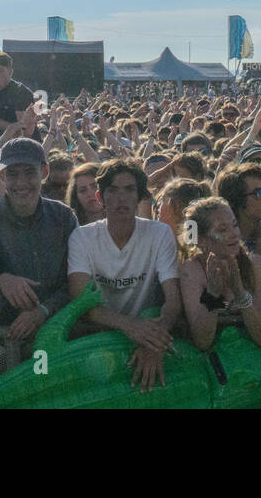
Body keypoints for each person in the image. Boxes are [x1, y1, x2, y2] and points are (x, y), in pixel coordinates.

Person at [67, 158, 181, 393]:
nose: (121, 198)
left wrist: (154, 342)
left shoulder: (159, 234)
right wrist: (130, 327)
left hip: (149, 333)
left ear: (140, 197)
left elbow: (173, 299)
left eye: (129, 190)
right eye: (113, 190)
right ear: (100, 198)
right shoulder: (82, 238)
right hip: (97, 341)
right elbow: (82, 304)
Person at [0, 138, 78, 341]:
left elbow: (77, 281)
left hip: (59, 337)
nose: (21, 183)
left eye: (30, 172)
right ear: (1, 175)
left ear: (44, 172)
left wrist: (43, 310)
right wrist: (0, 282)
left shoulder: (64, 218)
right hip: (2, 341)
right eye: (13, 174)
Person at [177, 196, 261, 350]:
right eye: (222, 230)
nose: (234, 234)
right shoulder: (191, 269)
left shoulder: (258, 265)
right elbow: (202, 341)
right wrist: (212, 294)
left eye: (234, 225)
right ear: (201, 240)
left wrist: (240, 293)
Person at [0, 50, 37, 140]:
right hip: (0, 146)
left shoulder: (20, 92)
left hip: (25, 147)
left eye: (0, 71)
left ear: (10, 73)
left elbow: (23, 133)